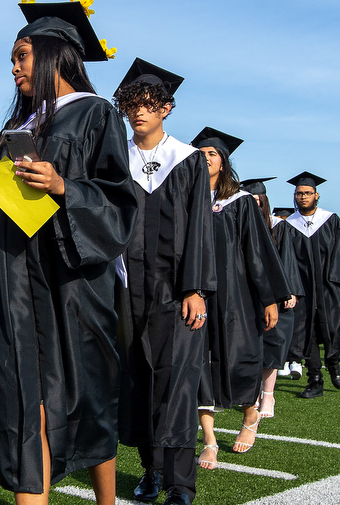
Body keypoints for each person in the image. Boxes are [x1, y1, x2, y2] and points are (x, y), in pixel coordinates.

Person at [0, 0, 137, 505]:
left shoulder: (96, 115)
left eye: (22, 55)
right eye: (12, 58)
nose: (14, 68)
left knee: (86, 396)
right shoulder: (22, 130)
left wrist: (62, 186)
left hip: (71, 284)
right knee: (24, 402)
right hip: (15, 280)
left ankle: (107, 501)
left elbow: (120, 200)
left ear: (55, 54)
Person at [111, 58, 215, 505]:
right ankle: (149, 471)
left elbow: (199, 229)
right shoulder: (115, 158)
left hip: (175, 291)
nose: (140, 112)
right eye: (133, 103)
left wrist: (195, 288)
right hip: (124, 285)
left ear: (167, 109)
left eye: (149, 104)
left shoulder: (187, 161)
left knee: (175, 384)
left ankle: (179, 485)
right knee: (135, 381)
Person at [192, 130, 286, 467]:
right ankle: (210, 440)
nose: (205, 158)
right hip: (197, 294)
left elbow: (257, 254)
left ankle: (250, 415)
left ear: (223, 161)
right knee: (198, 363)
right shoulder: (187, 199)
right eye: (199, 153)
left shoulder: (240, 202)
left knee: (239, 358)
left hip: (237, 298)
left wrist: (270, 298)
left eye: (212, 153)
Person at [277, 173, 340, 399]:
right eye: (299, 193)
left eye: (307, 193)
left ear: (316, 195)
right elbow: (286, 259)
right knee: (305, 333)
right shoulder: (289, 225)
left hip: (328, 285)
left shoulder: (330, 220)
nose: (303, 197)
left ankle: (333, 364)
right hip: (301, 288)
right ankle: (315, 379)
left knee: (332, 327)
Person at [240, 178, 301, 419]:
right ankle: (251, 394)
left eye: (257, 201)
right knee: (250, 346)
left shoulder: (278, 227)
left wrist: (288, 291)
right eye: (249, 201)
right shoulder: (241, 223)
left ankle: (268, 395)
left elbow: (286, 261)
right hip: (247, 294)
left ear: (264, 202)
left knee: (273, 346)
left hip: (274, 294)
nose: (254, 205)